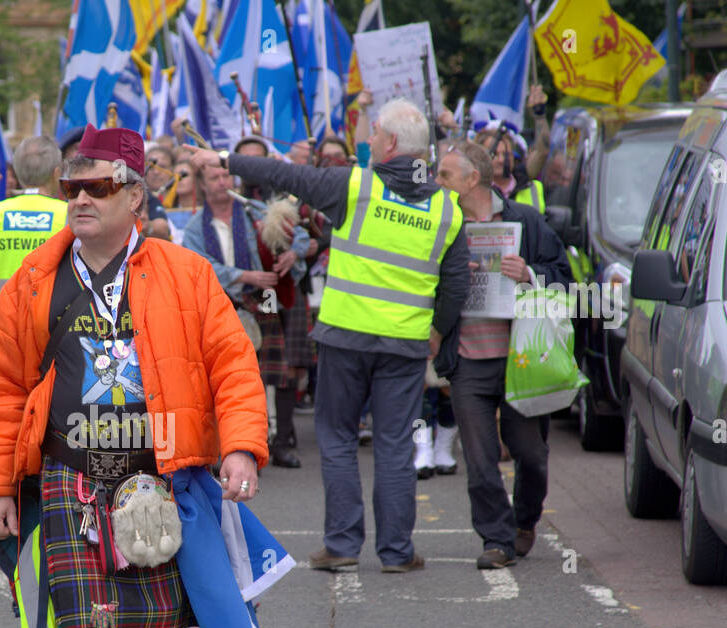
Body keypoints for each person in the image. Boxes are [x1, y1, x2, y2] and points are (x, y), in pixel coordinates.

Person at [0, 123, 270, 628]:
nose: (79, 198)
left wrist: (242, 449)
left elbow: (232, 366)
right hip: (70, 478)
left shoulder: (184, 273)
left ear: (134, 194)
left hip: (161, 480)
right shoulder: (36, 281)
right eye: (70, 185)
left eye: (96, 186)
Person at [192, 97, 470, 573]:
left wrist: (223, 159)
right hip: (404, 345)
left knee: (338, 439)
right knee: (394, 443)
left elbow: (286, 177)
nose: (370, 139)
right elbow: (457, 282)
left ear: (392, 143)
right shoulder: (448, 209)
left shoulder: (357, 187)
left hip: (345, 337)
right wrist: (438, 333)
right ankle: (398, 553)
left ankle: (342, 547)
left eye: (376, 132)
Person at [434, 140, 572, 567]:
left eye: (444, 175)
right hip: (467, 360)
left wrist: (530, 273)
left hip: (522, 360)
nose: (436, 183)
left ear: (471, 179)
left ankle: (524, 521)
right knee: (479, 459)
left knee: (530, 454)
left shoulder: (525, 220)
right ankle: (496, 540)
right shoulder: (442, 223)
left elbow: (566, 280)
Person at [182, 159, 306, 469]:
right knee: (228, 374)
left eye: (226, 175)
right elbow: (199, 264)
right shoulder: (197, 226)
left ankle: (276, 443)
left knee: (273, 371)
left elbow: (299, 234)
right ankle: (232, 446)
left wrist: (292, 252)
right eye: (215, 177)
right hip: (223, 301)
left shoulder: (253, 210)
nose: (222, 181)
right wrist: (243, 276)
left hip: (264, 298)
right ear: (204, 184)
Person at [0, 135, 67, 341]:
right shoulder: (70, 217)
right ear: (57, 173)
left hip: (0, 336)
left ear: (17, 173)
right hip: (54, 338)